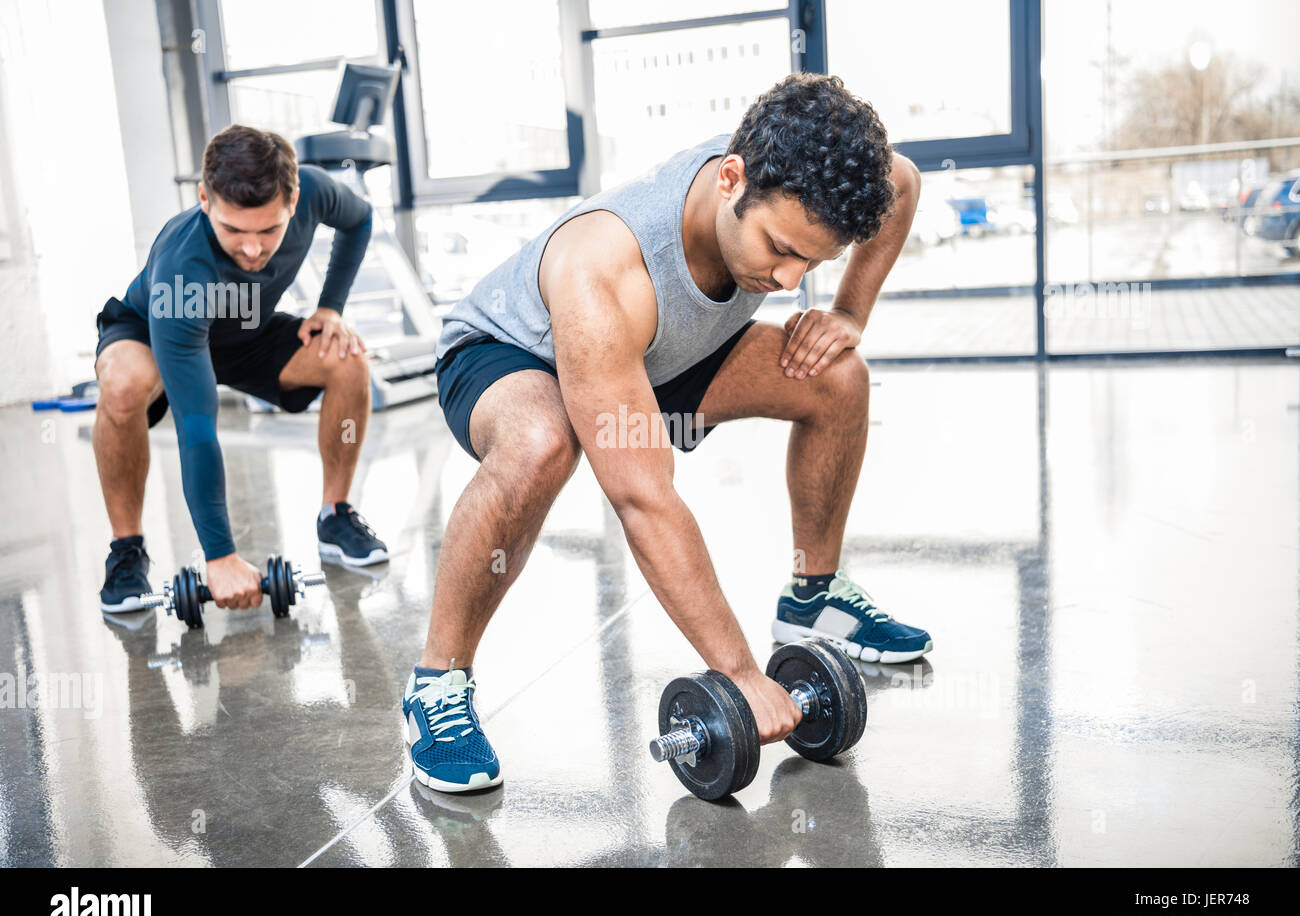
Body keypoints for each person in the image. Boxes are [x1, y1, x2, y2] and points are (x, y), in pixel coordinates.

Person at [403, 74, 933, 793]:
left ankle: (816, 595)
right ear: (730, 178)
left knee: (838, 376)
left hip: (660, 353)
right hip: (515, 351)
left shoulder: (797, 190)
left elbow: (901, 180)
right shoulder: (604, 267)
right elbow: (644, 499)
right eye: (779, 248)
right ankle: (437, 683)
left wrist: (851, 312)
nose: (786, 279)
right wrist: (740, 672)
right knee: (543, 440)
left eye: (812, 262)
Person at [94, 125, 388, 616]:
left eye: (268, 231)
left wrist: (331, 308)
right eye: (234, 231)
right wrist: (221, 556)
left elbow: (359, 220)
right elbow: (196, 425)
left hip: (244, 328)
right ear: (205, 200)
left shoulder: (314, 190)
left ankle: (336, 515)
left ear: (293, 201)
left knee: (347, 358)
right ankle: (126, 550)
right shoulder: (181, 269)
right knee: (123, 384)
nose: (252, 251)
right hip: (156, 331)